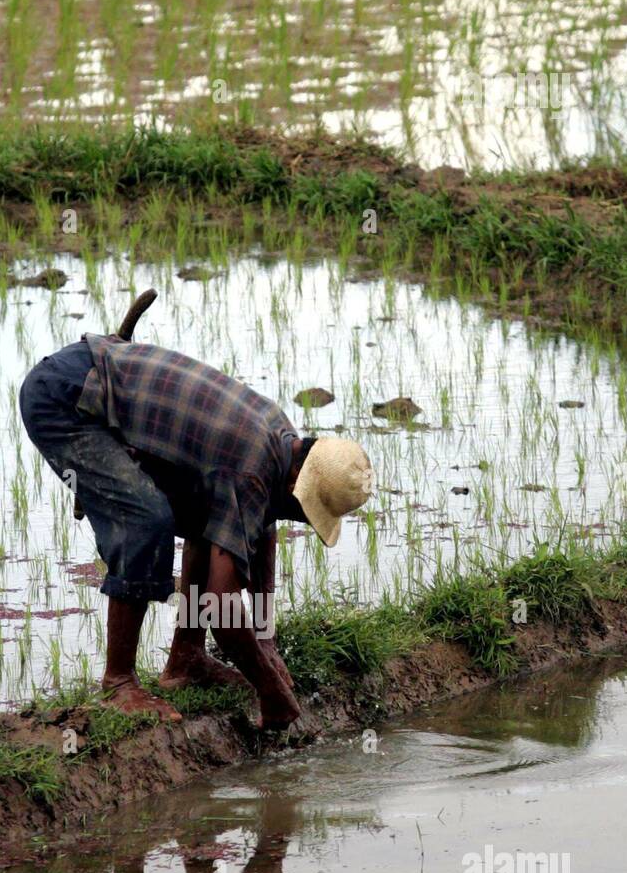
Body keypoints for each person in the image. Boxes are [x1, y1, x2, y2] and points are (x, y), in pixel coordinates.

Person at [19, 291, 372, 729]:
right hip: (65, 398)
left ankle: (185, 658)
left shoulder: (285, 441)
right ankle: (118, 681)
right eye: (301, 510)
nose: (293, 518)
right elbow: (222, 604)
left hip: (96, 374)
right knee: (147, 519)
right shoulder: (253, 469)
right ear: (296, 483)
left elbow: (255, 530)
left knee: (210, 522)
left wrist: (265, 635)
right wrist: (270, 690)